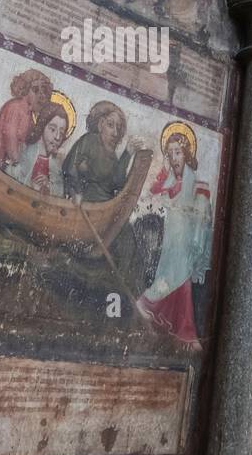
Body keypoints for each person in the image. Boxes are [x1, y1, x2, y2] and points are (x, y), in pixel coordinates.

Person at [136, 123, 212, 345]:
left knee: (184, 283)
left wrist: (196, 238)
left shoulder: (198, 183)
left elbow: (202, 216)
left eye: (178, 152)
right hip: (169, 241)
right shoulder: (168, 182)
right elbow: (150, 197)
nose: (174, 157)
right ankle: (151, 307)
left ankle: (184, 332)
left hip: (186, 241)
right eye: (170, 154)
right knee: (170, 279)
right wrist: (160, 180)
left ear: (187, 153)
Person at [62, 100, 142, 203]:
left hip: (103, 205)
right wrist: (76, 191)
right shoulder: (89, 141)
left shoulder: (112, 155)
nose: (115, 133)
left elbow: (117, 183)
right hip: (84, 203)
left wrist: (127, 154)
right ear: (100, 124)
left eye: (118, 128)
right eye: (110, 125)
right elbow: (70, 167)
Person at [0, 68, 52, 167]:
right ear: (25, 88)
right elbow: (11, 136)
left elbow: (27, 141)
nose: (40, 95)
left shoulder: (29, 114)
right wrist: (17, 162)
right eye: (35, 90)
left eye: (43, 91)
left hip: (6, 156)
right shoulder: (16, 107)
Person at [5, 95, 73, 195]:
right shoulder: (24, 152)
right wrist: (30, 185)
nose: (58, 137)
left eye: (62, 133)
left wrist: (49, 187)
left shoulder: (56, 165)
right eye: (52, 129)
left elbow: (60, 193)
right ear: (42, 126)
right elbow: (8, 177)